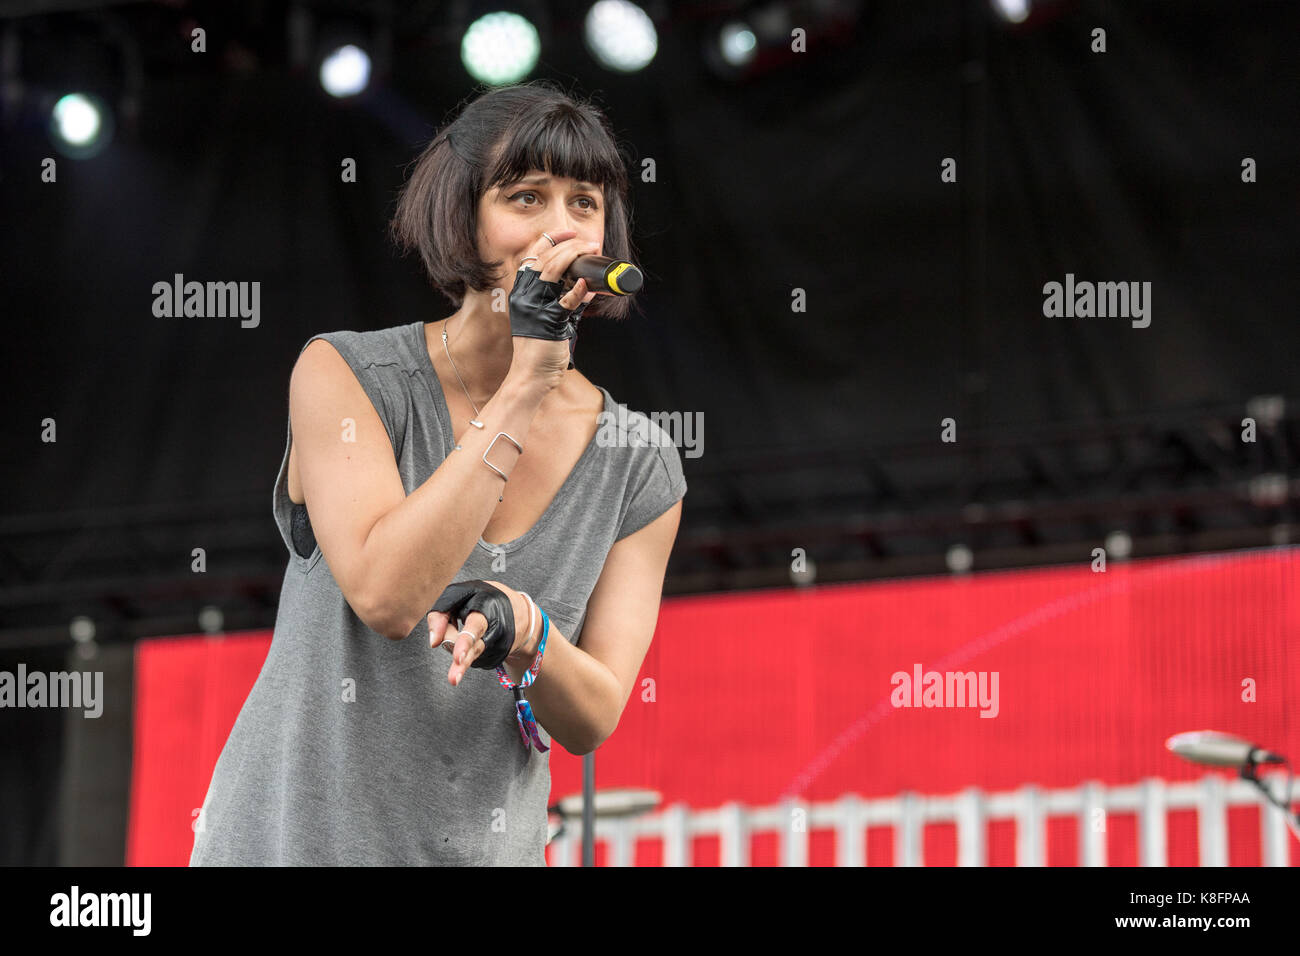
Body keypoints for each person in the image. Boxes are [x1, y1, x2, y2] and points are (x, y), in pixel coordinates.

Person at [189, 81, 687, 865]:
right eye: (526, 198)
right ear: (463, 218)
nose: (562, 226)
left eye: (584, 203)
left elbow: (594, 715)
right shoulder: (348, 375)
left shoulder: (639, 463)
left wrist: (529, 631)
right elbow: (389, 595)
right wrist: (526, 385)